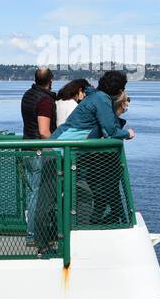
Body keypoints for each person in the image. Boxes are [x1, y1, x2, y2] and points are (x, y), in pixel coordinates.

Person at [52, 70, 134, 226]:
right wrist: (128, 134)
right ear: (118, 90)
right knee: (75, 197)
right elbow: (110, 131)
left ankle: (66, 231)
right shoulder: (101, 99)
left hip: (60, 150)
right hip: (58, 151)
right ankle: (77, 232)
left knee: (59, 196)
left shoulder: (95, 96)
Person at [20, 68, 57, 246]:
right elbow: (44, 132)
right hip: (38, 151)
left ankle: (31, 231)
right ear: (51, 80)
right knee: (37, 193)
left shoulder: (28, 95)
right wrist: (59, 144)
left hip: (26, 147)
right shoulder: (45, 100)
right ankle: (33, 234)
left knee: (31, 192)